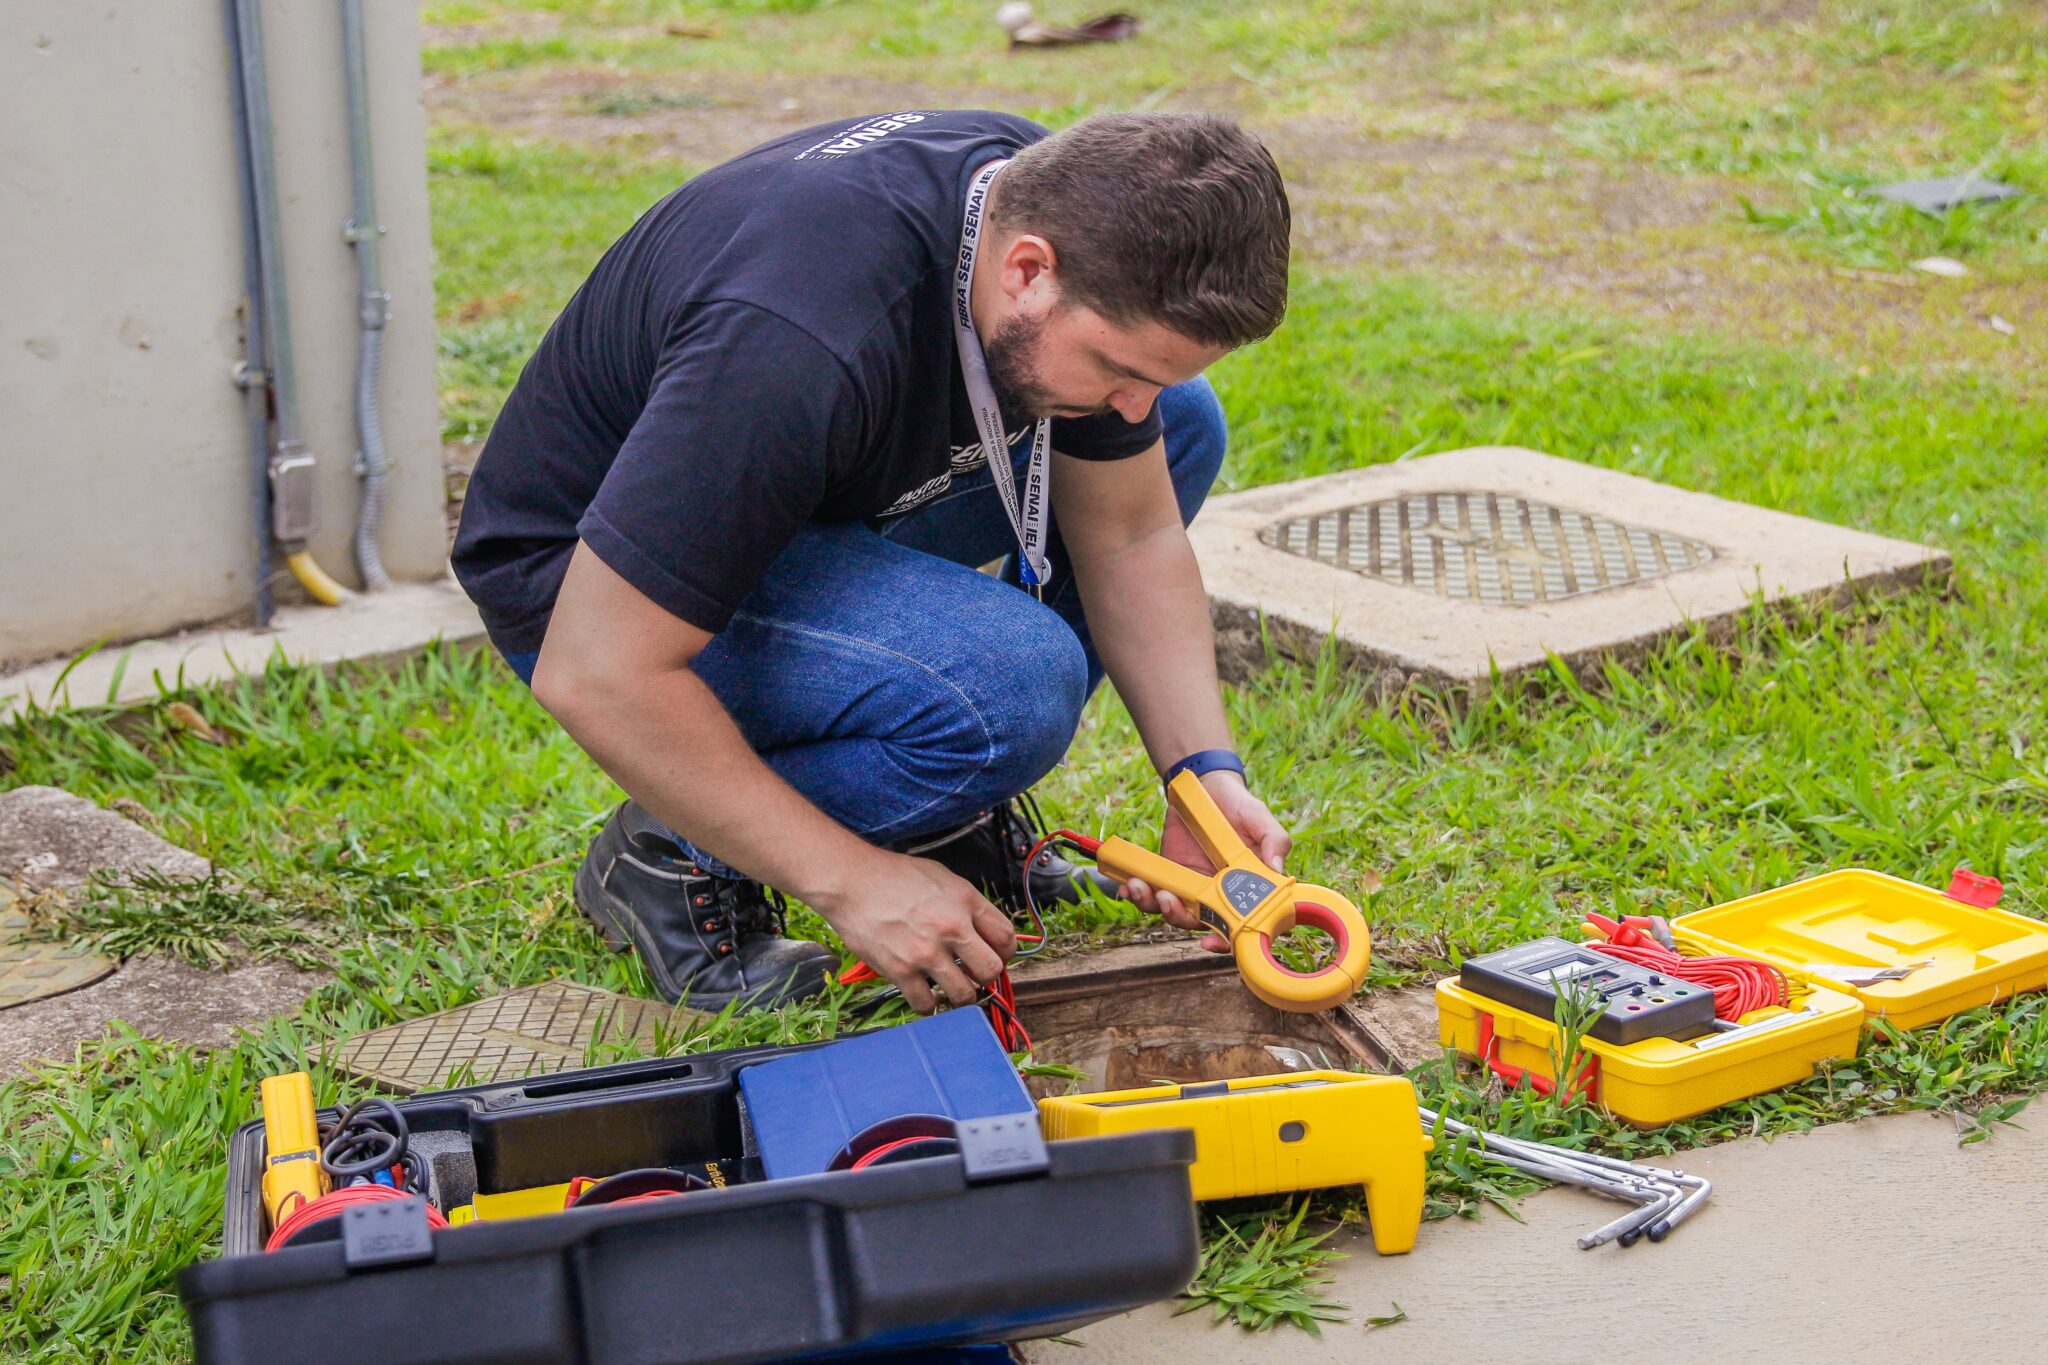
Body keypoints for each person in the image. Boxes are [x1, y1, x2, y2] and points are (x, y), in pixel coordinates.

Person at [452, 108, 1296, 1014]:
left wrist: (1203, 775)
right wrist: (855, 883)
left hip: (795, 492)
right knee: (1005, 688)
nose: (1132, 403)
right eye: (1118, 366)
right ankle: (666, 851)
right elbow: (595, 669)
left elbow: (1129, 534)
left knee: (1185, 426)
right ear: (1028, 271)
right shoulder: (793, 334)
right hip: (591, 582)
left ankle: (944, 821)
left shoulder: (1038, 193)